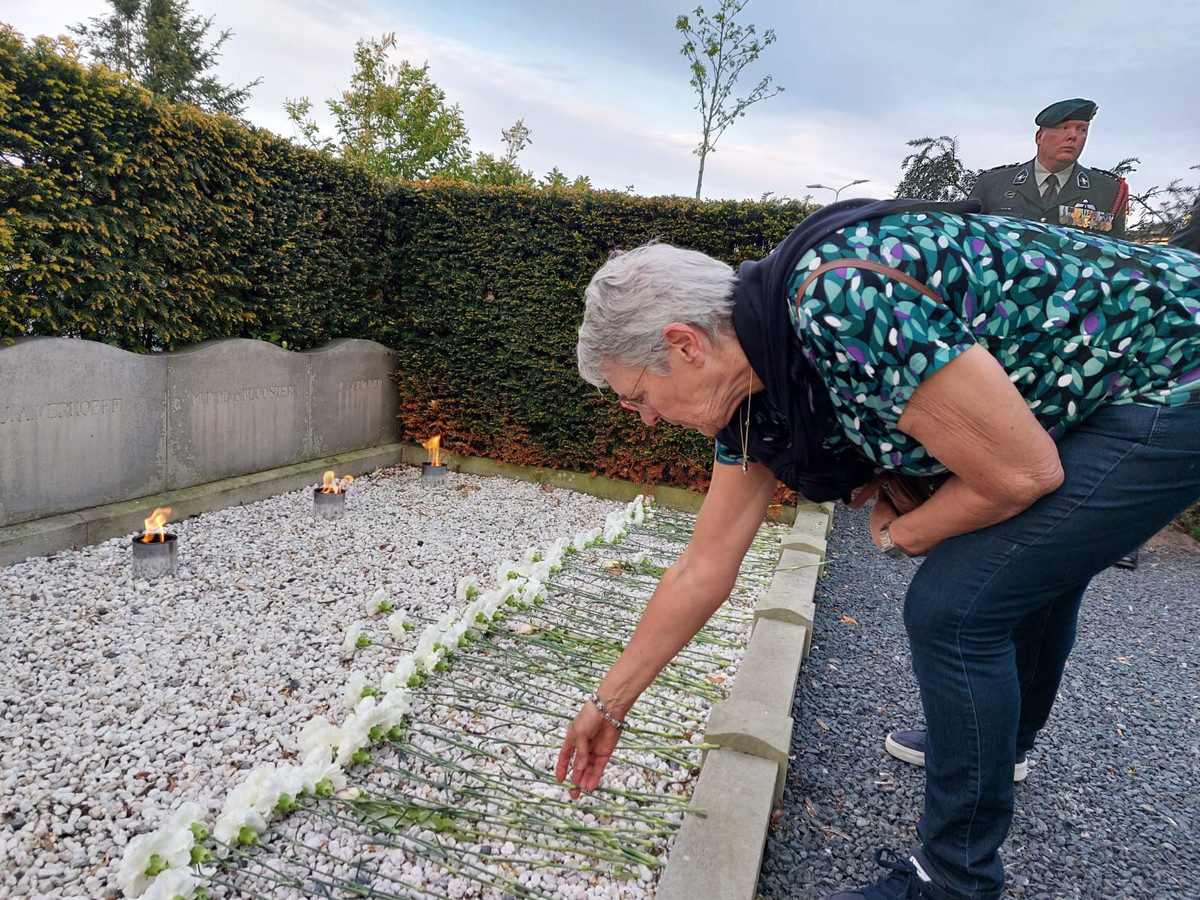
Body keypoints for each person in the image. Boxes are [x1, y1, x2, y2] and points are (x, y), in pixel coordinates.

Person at [555, 197, 1200, 900]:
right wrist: (609, 704)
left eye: (638, 396)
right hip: (1104, 388)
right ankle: (998, 743)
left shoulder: (840, 301)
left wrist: (903, 535)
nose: (645, 418)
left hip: (1174, 369)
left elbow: (1022, 475)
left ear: (685, 345)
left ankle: (952, 879)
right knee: (1030, 566)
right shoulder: (760, 389)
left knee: (953, 609)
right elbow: (702, 566)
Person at [969, 98, 1128, 239]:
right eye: (1063, 128)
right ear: (1039, 137)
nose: (1073, 136)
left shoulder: (1106, 190)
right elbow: (969, 240)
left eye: (1082, 129)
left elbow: (1114, 253)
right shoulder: (993, 184)